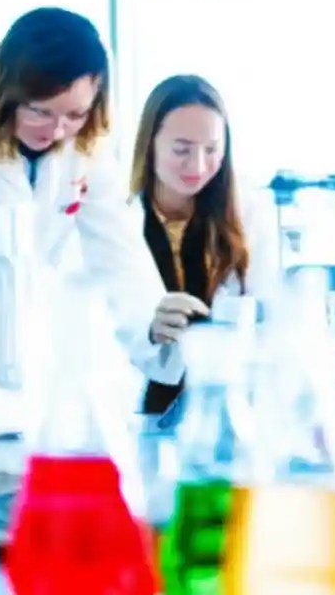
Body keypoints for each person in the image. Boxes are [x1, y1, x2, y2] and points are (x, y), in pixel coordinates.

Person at [0, 7, 167, 413]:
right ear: (5, 92)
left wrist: (156, 324)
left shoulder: (86, 153)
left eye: (75, 114)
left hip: (34, 364)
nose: (57, 130)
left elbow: (120, 259)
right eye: (40, 111)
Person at [128, 74, 280, 414]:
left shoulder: (249, 213)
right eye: (181, 150)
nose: (197, 166)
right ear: (149, 144)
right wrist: (148, 330)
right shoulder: (117, 220)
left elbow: (269, 316)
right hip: (134, 406)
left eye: (211, 150)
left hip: (226, 405)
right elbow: (104, 326)